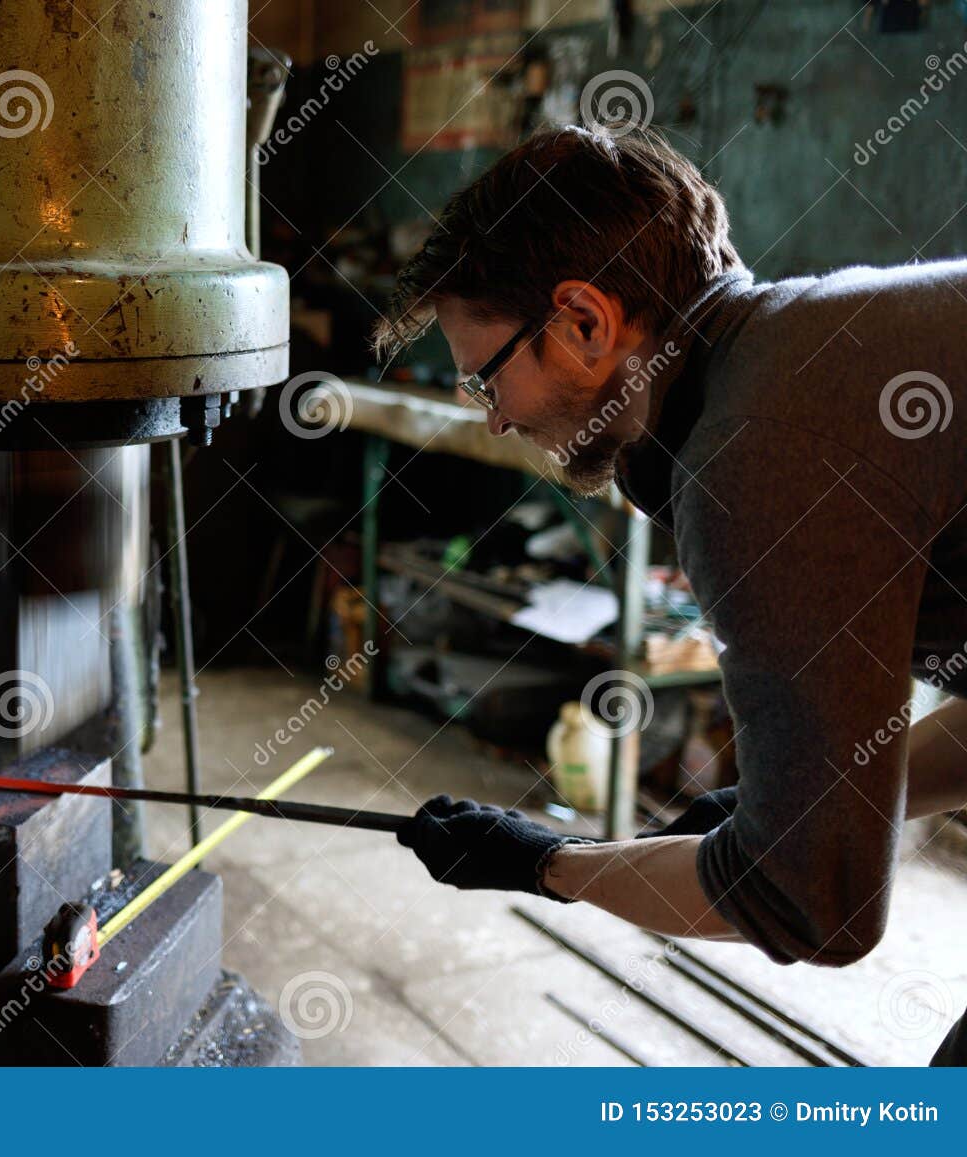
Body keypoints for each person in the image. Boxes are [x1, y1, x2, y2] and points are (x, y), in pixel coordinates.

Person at [377, 125, 967, 1065]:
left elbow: (816, 906)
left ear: (585, 322)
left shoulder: (757, 455)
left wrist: (545, 861)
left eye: (487, 376)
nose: (494, 418)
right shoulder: (802, 346)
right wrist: (795, 798)